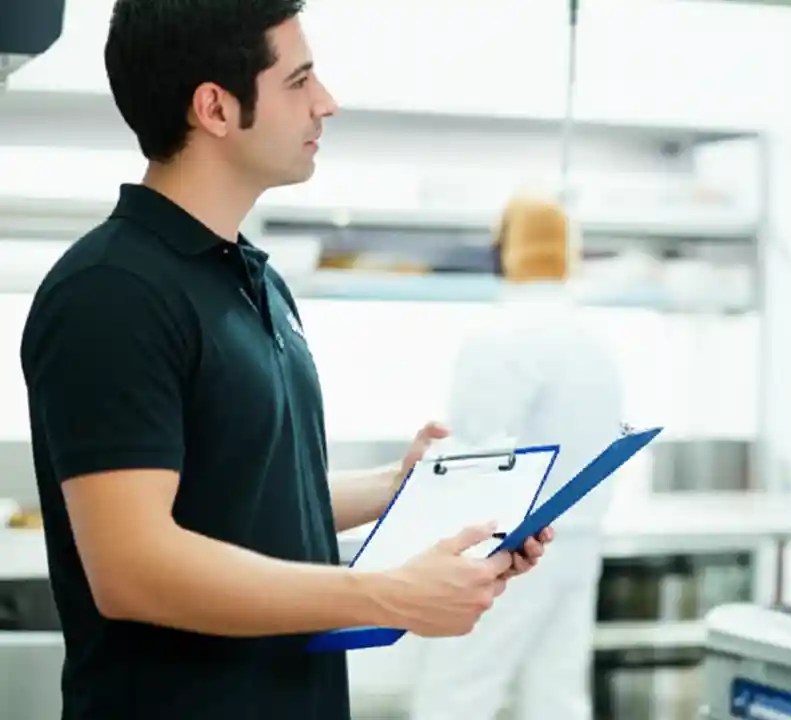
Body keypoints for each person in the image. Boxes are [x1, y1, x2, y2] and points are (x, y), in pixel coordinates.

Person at [18, 3, 551, 720]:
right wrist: (386, 592)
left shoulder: (253, 282)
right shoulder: (111, 292)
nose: (326, 103)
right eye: (299, 81)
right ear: (214, 107)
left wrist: (400, 490)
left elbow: (242, 499)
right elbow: (134, 569)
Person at [410, 193, 624, 720]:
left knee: (457, 694)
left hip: (513, 549)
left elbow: (474, 453)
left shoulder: (500, 335)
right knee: (558, 698)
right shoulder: (592, 339)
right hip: (577, 545)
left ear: (507, 249)